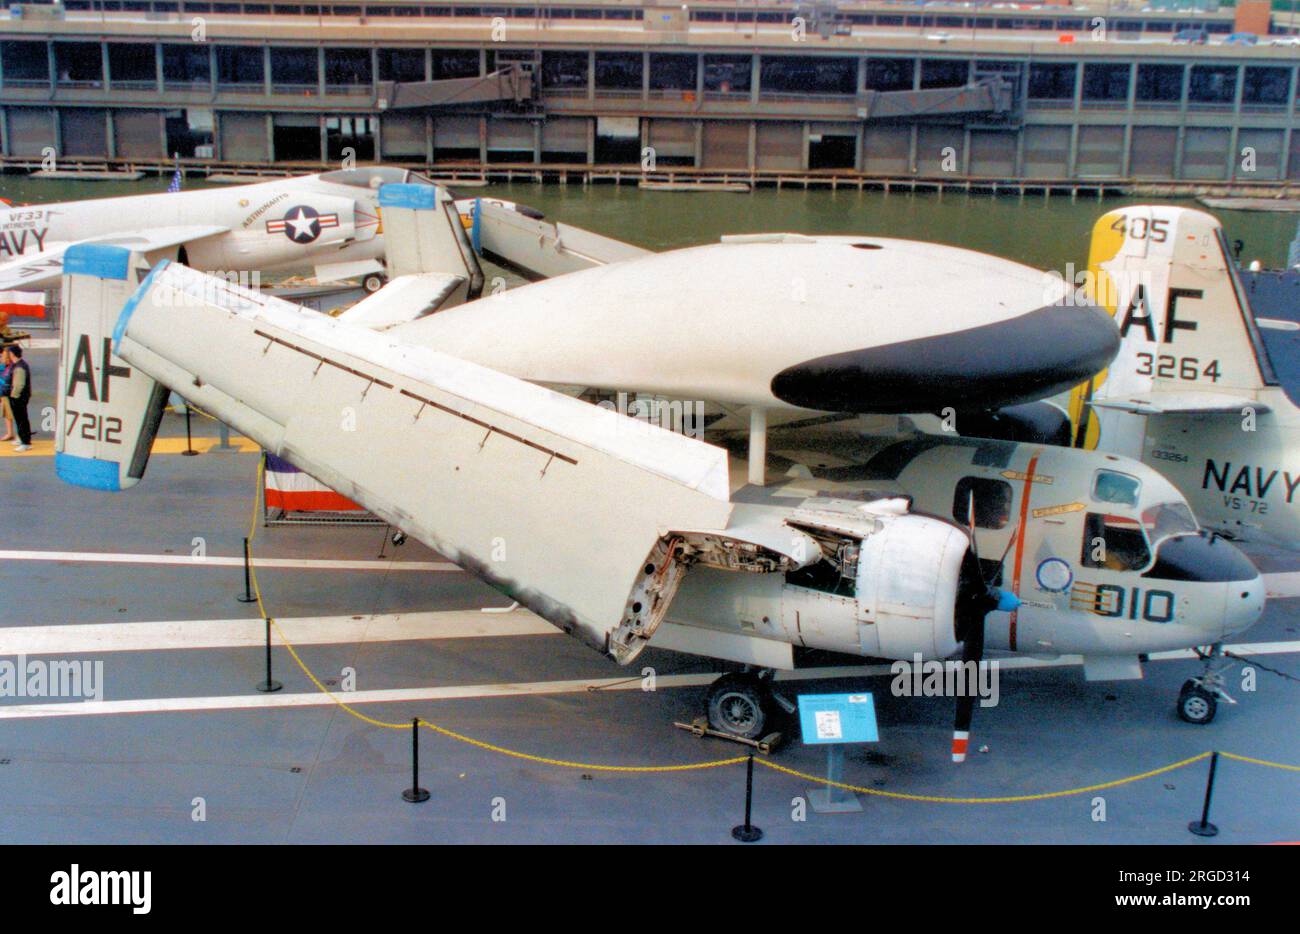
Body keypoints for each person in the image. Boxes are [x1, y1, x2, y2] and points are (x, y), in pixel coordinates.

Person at [3, 344, 31, 451]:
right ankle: (22, 438)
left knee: (21, 419)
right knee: (20, 419)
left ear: (12, 354)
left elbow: (18, 385)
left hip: (18, 398)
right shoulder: (18, 364)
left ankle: (25, 442)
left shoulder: (19, 367)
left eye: (9, 353)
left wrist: (13, 396)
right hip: (19, 397)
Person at [0, 344, 12, 442]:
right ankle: (9, 433)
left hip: (6, 392)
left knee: (10, 414)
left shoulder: (8, 368)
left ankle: (11, 433)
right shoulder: (5, 366)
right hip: (3, 392)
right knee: (7, 414)